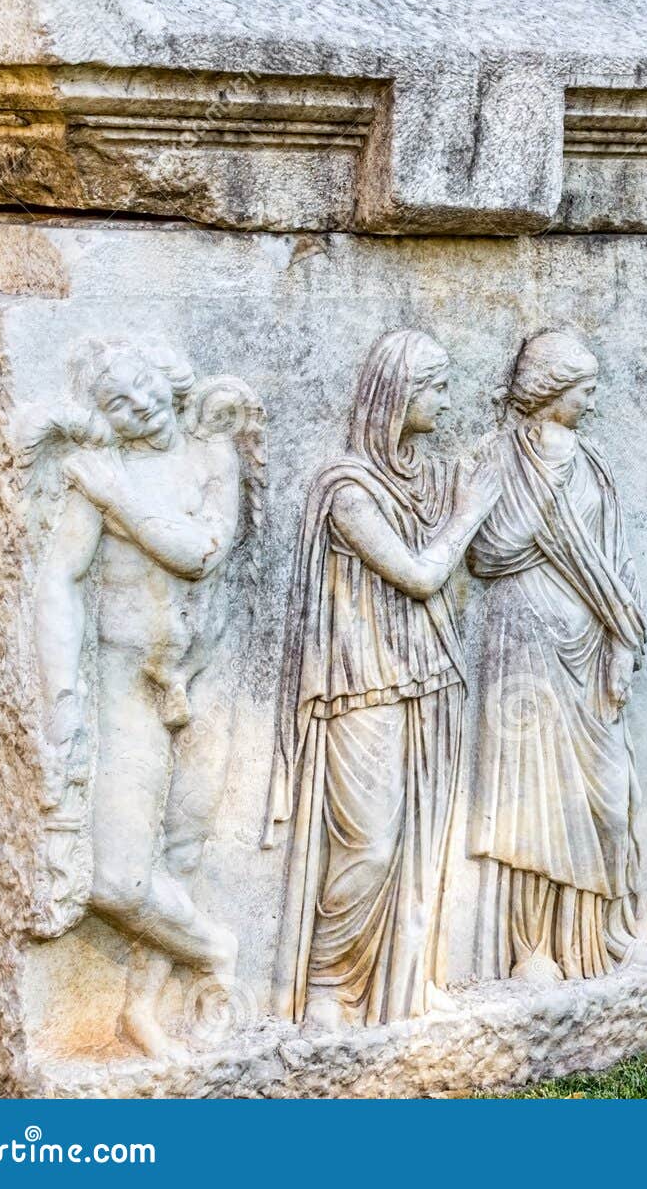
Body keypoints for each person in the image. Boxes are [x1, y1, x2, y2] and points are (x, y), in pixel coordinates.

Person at [26, 337, 263, 1057]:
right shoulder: (102, 471)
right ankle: (218, 953)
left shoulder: (204, 460)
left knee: (183, 851)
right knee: (116, 880)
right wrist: (60, 688)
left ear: (167, 379)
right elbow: (57, 581)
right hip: (122, 681)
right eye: (119, 405)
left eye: (144, 389)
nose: (140, 409)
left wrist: (113, 495)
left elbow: (198, 553)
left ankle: (143, 1012)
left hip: (200, 680)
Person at [265, 330, 498, 1029]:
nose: (447, 401)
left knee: (421, 840)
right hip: (362, 684)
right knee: (367, 843)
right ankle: (329, 987)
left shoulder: (425, 478)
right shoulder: (346, 490)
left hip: (429, 676)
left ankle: (407, 981)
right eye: (436, 387)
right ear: (398, 395)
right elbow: (422, 574)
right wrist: (470, 512)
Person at [467, 330, 647, 983]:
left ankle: (590, 937)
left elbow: (616, 558)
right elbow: (487, 553)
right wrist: (543, 486)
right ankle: (533, 948)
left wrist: (624, 643)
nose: (593, 404)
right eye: (584, 391)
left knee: (605, 793)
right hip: (525, 641)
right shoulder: (496, 456)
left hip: (593, 641)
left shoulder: (593, 463)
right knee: (533, 796)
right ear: (551, 391)